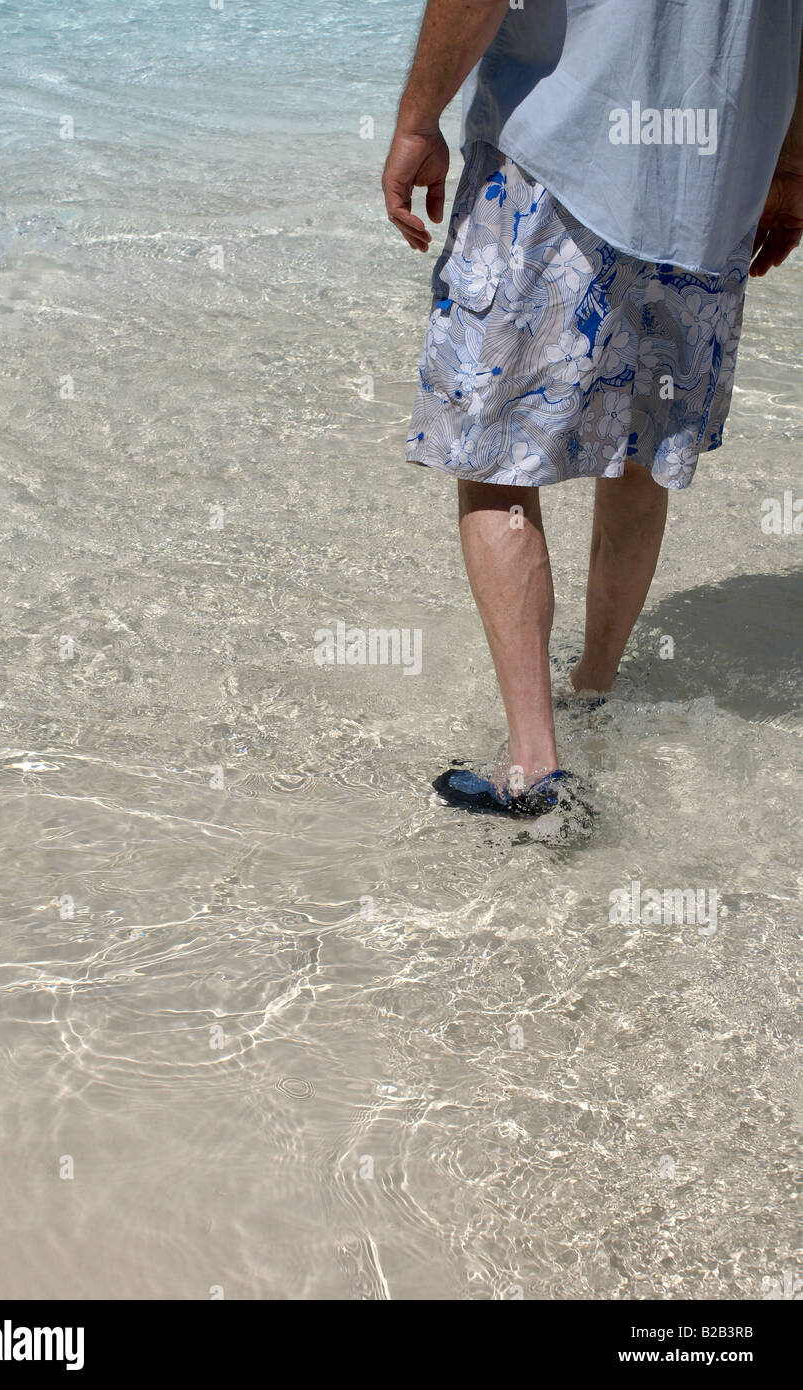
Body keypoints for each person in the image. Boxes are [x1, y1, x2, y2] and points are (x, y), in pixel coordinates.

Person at [382, 0, 803, 820]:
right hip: (713, 190)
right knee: (641, 448)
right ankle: (595, 693)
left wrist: (416, 120)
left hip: (557, 162)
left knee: (493, 459)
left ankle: (535, 769)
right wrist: (788, 163)